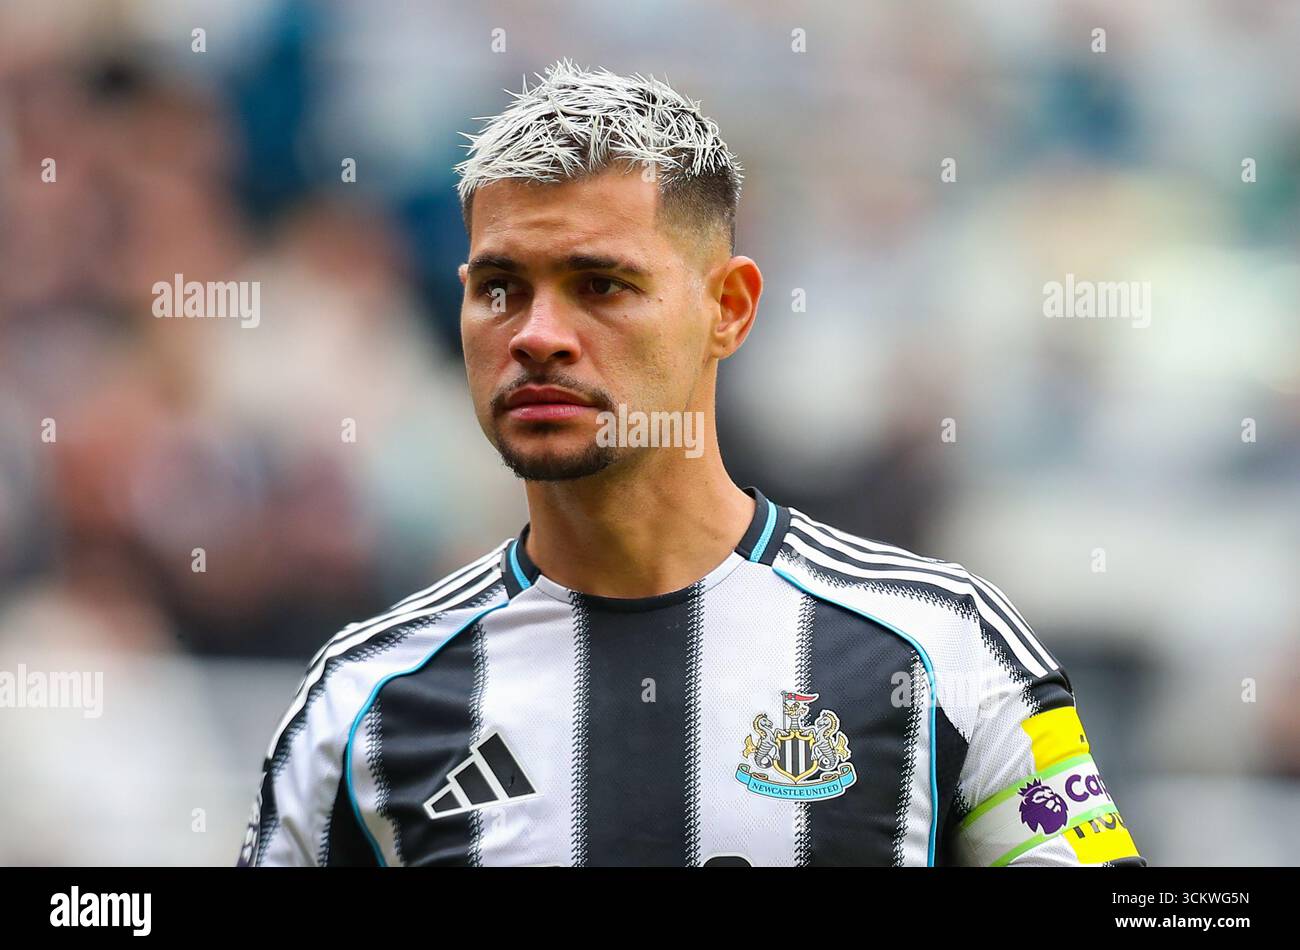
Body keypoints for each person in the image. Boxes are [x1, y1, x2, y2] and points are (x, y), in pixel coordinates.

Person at [238, 59, 1143, 867]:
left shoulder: (948, 651)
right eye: (500, 287)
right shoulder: (363, 704)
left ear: (730, 308)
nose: (538, 336)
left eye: (601, 285)